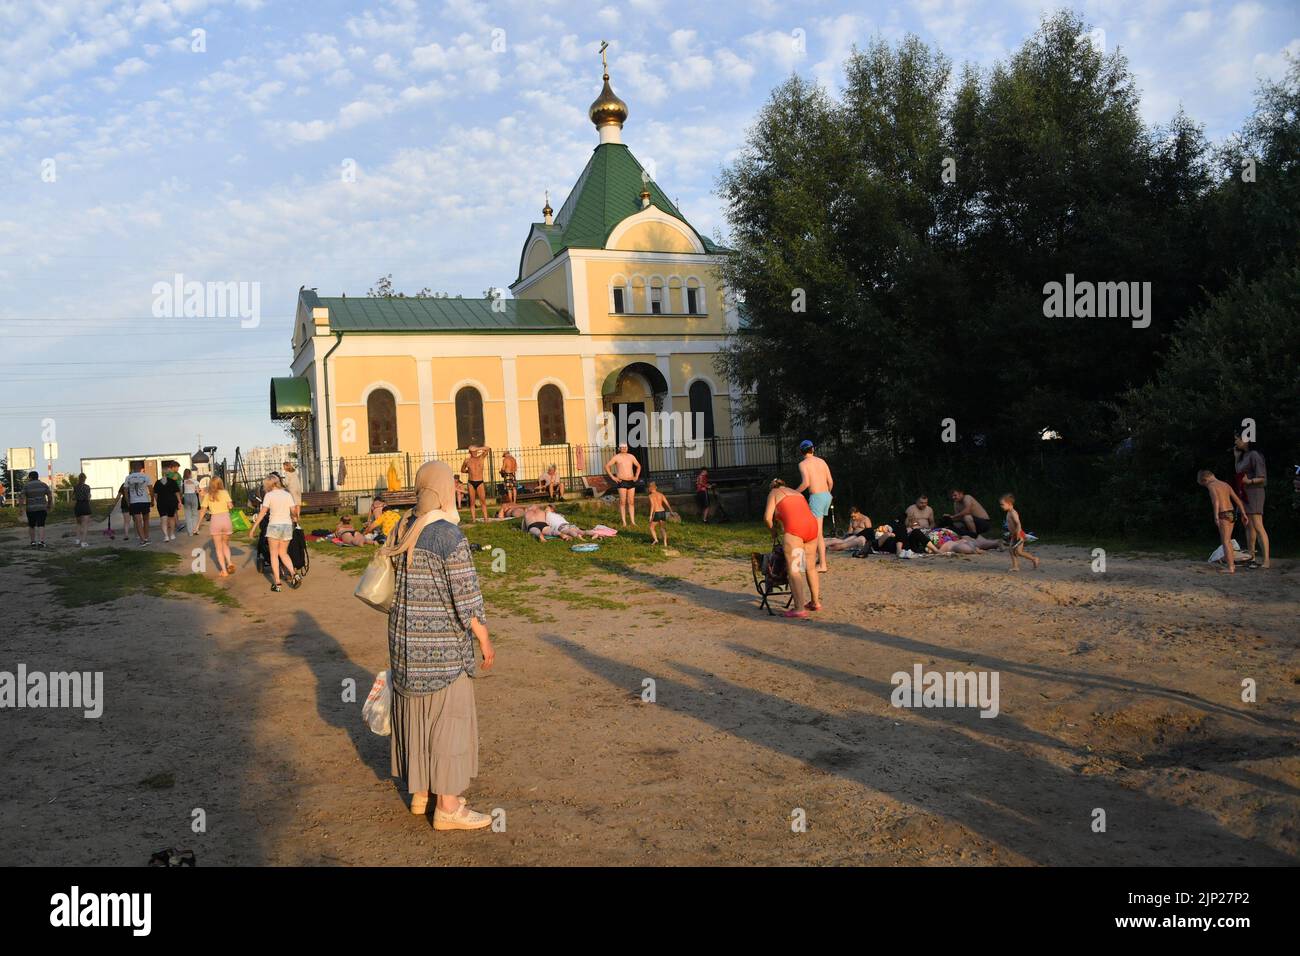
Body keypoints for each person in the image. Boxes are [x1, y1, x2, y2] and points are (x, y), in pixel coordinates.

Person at [382, 460, 495, 829]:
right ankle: (448, 807)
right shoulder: (448, 535)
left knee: (416, 717)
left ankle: (421, 794)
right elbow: (466, 597)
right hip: (442, 647)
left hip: (404, 642)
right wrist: (484, 638)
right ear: (445, 489)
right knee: (448, 721)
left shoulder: (403, 524)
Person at [764, 478, 821, 617]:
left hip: (795, 530)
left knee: (795, 570)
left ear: (773, 487)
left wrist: (773, 532)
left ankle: (799, 608)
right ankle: (815, 602)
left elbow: (767, 518)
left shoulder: (774, 493)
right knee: (811, 567)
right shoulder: (797, 493)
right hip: (812, 527)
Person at [249, 475, 301, 591]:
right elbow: (293, 510)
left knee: (274, 554)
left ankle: (277, 583)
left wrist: (253, 528)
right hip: (287, 526)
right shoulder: (287, 495)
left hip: (274, 526)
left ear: (268, 485)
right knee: (283, 553)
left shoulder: (269, 495)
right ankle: (293, 573)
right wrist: (295, 518)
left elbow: (262, 513)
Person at [793, 440, 834, 573]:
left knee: (816, 533)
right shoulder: (822, 461)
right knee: (817, 532)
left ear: (801, 451)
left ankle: (822, 564)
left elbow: (806, 483)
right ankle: (819, 561)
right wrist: (827, 493)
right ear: (813, 449)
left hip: (816, 497)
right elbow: (830, 481)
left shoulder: (803, 464)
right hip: (827, 495)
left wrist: (794, 493)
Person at [1198, 469, 1249, 574]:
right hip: (1231, 513)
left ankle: (1230, 568)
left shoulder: (1212, 485)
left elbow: (1215, 501)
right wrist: (1243, 513)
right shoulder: (1225, 484)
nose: (1206, 486)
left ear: (1205, 480)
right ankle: (1231, 565)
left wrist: (1216, 516)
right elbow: (1237, 500)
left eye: (1204, 485)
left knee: (1225, 541)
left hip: (1223, 514)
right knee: (1228, 540)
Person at [1234, 435, 1269, 569]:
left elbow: (1262, 477)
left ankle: (1266, 560)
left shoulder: (1255, 455)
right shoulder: (1244, 456)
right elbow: (1239, 472)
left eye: (1238, 439)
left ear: (1247, 440)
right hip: (1245, 494)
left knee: (1258, 525)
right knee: (1248, 526)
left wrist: (1249, 481)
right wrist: (1236, 458)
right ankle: (1251, 558)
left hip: (1255, 492)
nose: (1236, 442)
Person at [198, 476, 235, 577]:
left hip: (215, 521)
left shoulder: (208, 495)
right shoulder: (225, 493)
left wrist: (198, 525)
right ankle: (230, 562)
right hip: (226, 519)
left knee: (218, 549)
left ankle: (224, 571)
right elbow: (230, 506)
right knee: (226, 545)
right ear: (220, 483)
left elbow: (202, 511)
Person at [999, 494, 1040, 571]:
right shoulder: (1008, 512)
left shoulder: (1013, 513)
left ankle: (1034, 559)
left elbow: (1018, 523)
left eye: (1002, 504)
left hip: (1019, 534)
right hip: (1013, 535)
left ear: (1009, 504)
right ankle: (1015, 566)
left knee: (1019, 552)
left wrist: (1018, 534)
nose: (1001, 506)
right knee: (1011, 550)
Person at [604, 444, 641, 526]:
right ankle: (624, 522)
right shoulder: (617, 457)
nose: (624, 448)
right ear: (619, 448)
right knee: (623, 502)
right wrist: (613, 477)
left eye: (625, 447)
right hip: (622, 481)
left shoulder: (631, 456)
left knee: (631, 502)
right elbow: (607, 466)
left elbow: (638, 466)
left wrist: (636, 476)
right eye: (622, 447)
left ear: (627, 448)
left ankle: (633, 522)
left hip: (631, 481)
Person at [124, 460, 153, 546]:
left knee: (138, 521)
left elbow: (125, 491)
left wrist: (128, 501)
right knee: (146, 520)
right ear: (141, 468)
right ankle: (146, 537)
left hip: (134, 502)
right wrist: (152, 499)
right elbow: (151, 489)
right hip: (144, 501)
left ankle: (142, 539)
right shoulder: (146, 476)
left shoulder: (128, 478)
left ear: (132, 468)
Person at [460, 444, 492, 522]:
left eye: (476, 451)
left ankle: (486, 519)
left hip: (480, 482)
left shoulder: (481, 458)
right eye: (473, 452)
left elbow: (488, 448)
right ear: (470, 452)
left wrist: (477, 448)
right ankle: (474, 519)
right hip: (471, 482)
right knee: (472, 502)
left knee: (483, 501)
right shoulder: (467, 460)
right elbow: (462, 470)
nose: (475, 453)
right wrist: (469, 471)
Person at [23, 471, 52, 548]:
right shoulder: (43, 485)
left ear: (30, 477)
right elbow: (49, 495)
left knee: (31, 525)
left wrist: (21, 507)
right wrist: (49, 505)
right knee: (41, 524)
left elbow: (21, 497)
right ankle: (41, 542)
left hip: (30, 509)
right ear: (37, 477)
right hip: (42, 508)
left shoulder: (26, 486)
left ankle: (32, 542)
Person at [153, 468, 181, 542]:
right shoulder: (172, 482)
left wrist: (157, 501)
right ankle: (171, 534)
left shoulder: (157, 482)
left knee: (163, 519)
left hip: (161, 503)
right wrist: (179, 502)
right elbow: (177, 493)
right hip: (171, 502)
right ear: (168, 474)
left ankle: (166, 536)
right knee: (171, 518)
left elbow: (155, 494)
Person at [646, 481, 672, 547]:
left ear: (650, 488)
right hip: (663, 512)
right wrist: (671, 511)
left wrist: (651, 515)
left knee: (651, 527)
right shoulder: (661, 494)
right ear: (656, 488)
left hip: (657, 512)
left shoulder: (650, 496)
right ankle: (665, 543)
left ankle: (656, 540)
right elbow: (667, 503)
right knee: (662, 528)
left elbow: (653, 505)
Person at [72, 473, 92, 548]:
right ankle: (83, 542)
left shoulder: (75, 487)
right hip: (85, 505)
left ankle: (77, 540)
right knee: (85, 524)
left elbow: (73, 497)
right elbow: (88, 497)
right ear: (85, 479)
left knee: (78, 524)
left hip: (78, 506)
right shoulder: (87, 487)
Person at [182, 469, 201, 535]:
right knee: (195, 514)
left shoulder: (182, 481)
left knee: (188, 515)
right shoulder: (195, 481)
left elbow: (181, 491)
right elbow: (198, 491)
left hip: (186, 497)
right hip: (193, 496)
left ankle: (190, 532)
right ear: (190, 474)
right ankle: (195, 530)